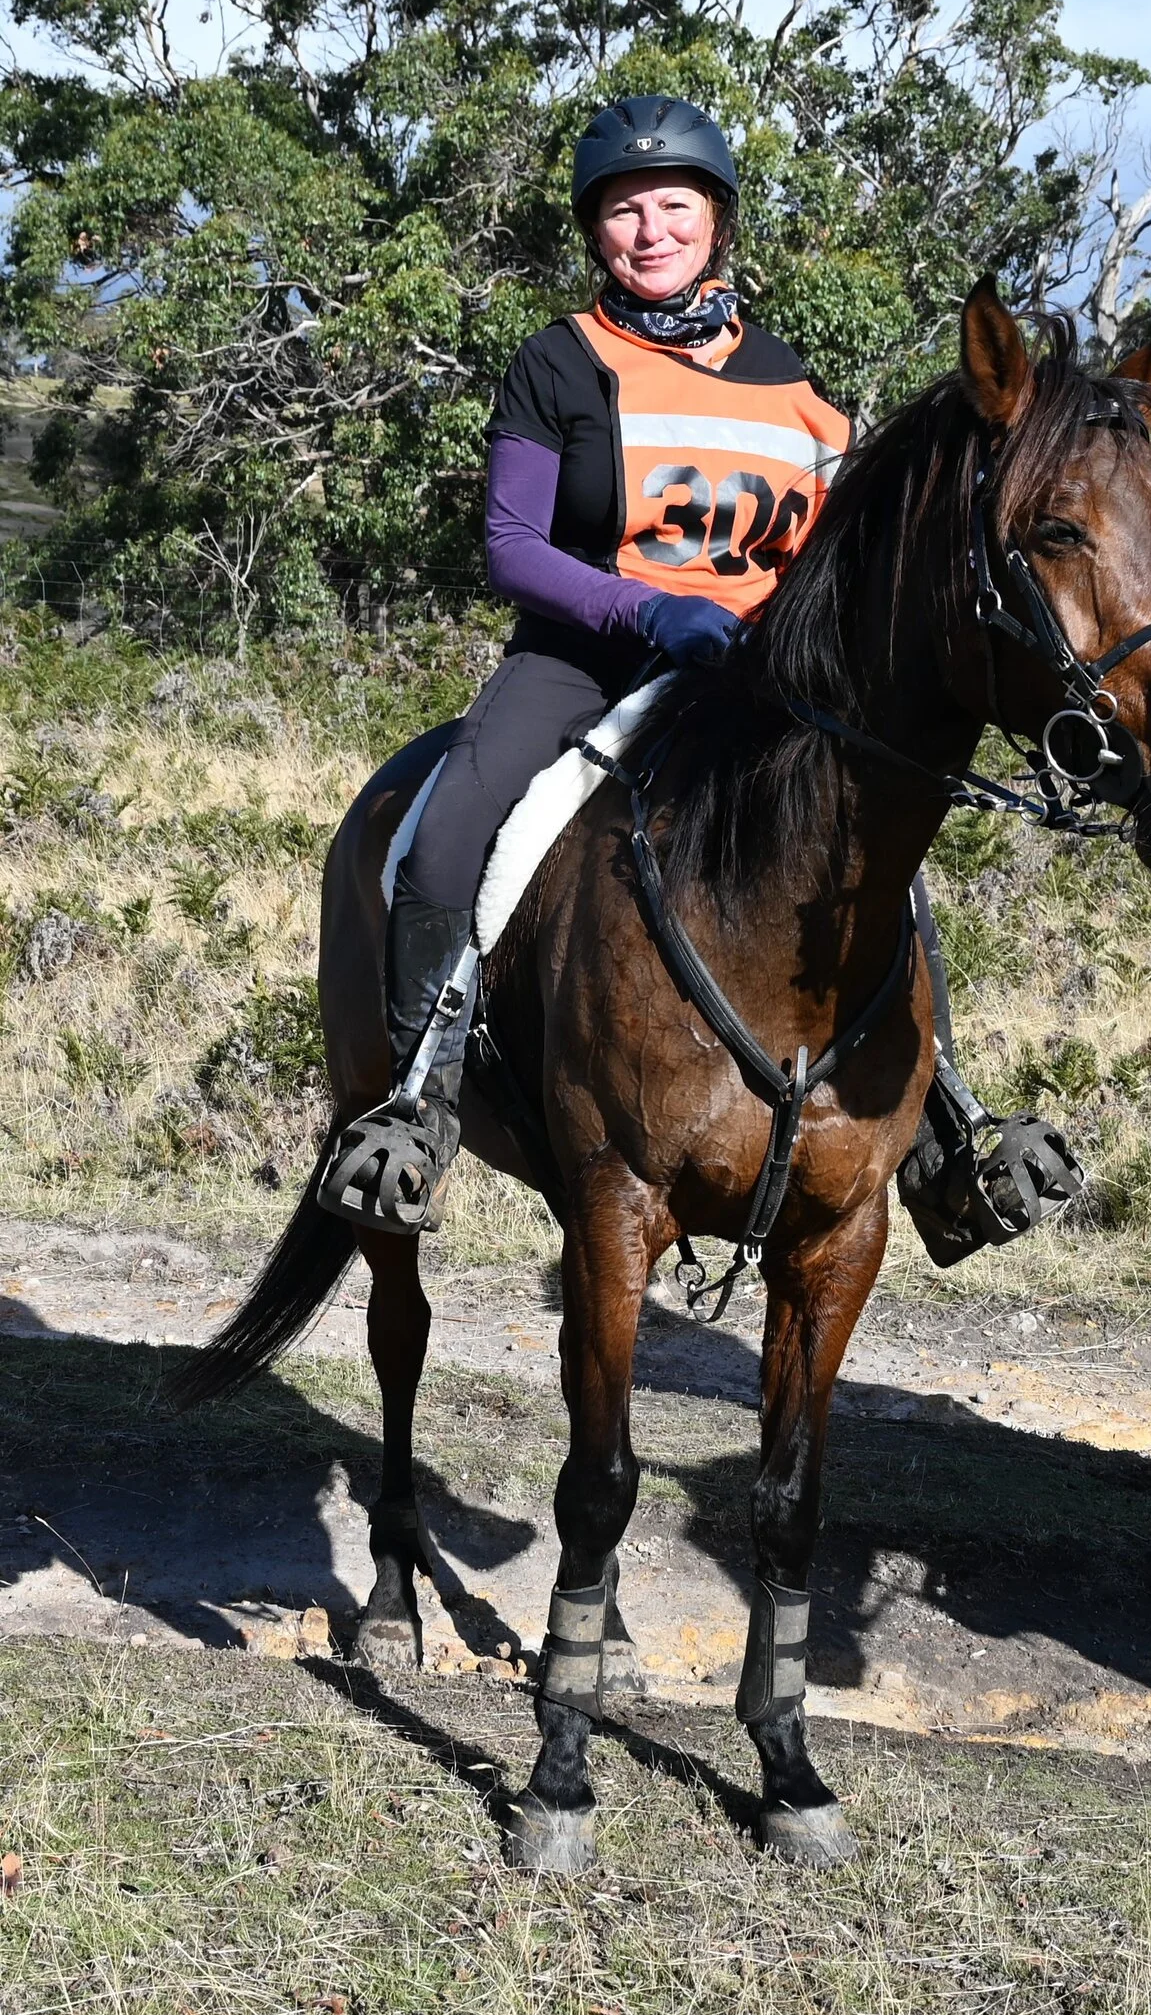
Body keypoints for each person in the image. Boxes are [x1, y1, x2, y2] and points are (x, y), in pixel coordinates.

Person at [318, 95, 1078, 1252]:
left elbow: (838, 566)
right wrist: (650, 609)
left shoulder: (800, 390)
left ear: (716, 221)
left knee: (871, 862)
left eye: (674, 204)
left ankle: (942, 1133)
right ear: (595, 230)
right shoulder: (559, 362)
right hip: (581, 663)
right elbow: (513, 547)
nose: (650, 228)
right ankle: (417, 1102)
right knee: (451, 821)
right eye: (624, 209)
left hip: (756, 680)